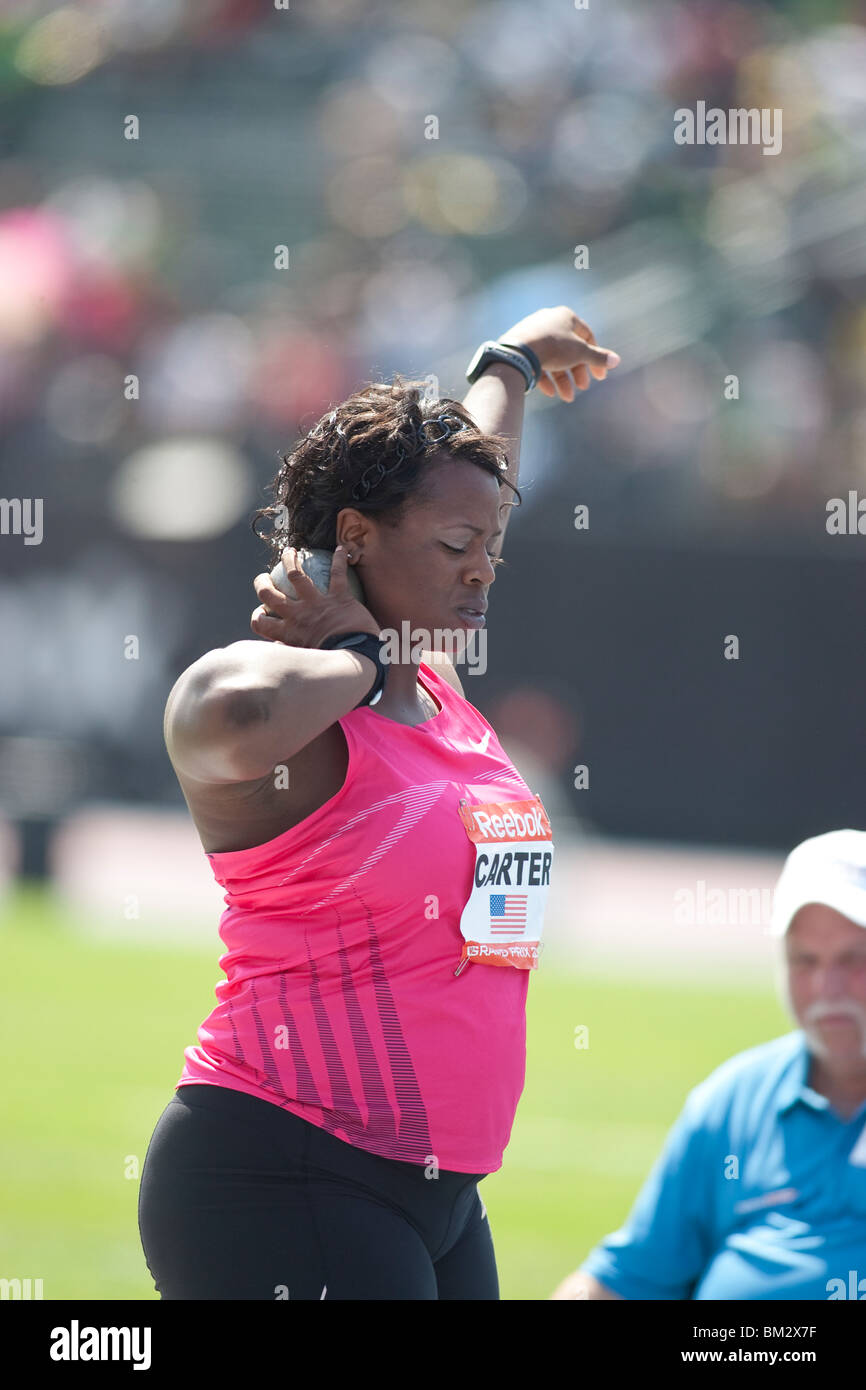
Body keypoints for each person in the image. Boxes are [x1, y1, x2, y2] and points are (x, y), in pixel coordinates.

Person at [137, 305, 621, 1300]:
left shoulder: (433, 685)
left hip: (440, 1195)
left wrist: (511, 362)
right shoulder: (289, 699)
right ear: (356, 535)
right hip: (283, 1168)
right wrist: (357, 656)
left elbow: (467, 477)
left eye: (491, 539)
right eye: (456, 544)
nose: (483, 563)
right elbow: (207, 719)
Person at [552, 829, 866, 1301]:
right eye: (805, 960)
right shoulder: (734, 1100)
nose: (828, 987)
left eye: (854, 958)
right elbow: (623, 1280)